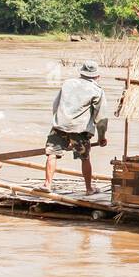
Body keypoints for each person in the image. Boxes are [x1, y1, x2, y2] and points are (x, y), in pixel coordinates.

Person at [45, 60, 108, 193]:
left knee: (52, 154)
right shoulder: (97, 91)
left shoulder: (68, 83)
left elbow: (55, 105)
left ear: (82, 73)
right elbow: (101, 118)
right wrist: (102, 137)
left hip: (59, 125)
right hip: (79, 129)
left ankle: (47, 185)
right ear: (97, 76)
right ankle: (89, 188)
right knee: (84, 157)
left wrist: (58, 121)